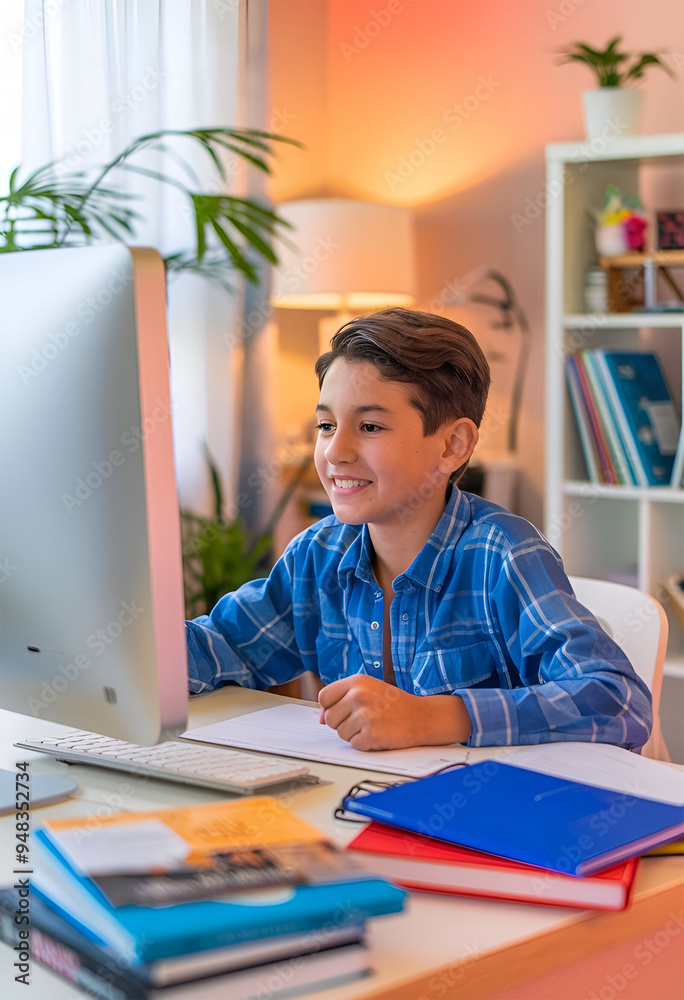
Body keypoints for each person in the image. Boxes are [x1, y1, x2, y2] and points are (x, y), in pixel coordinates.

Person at [186, 308, 652, 752]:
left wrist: (435, 717)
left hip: (481, 818)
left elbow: (619, 701)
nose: (335, 451)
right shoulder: (318, 553)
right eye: (326, 425)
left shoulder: (502, 554)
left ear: (453, 444)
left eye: (369, 426)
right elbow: (224, 646)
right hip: (363, 800)